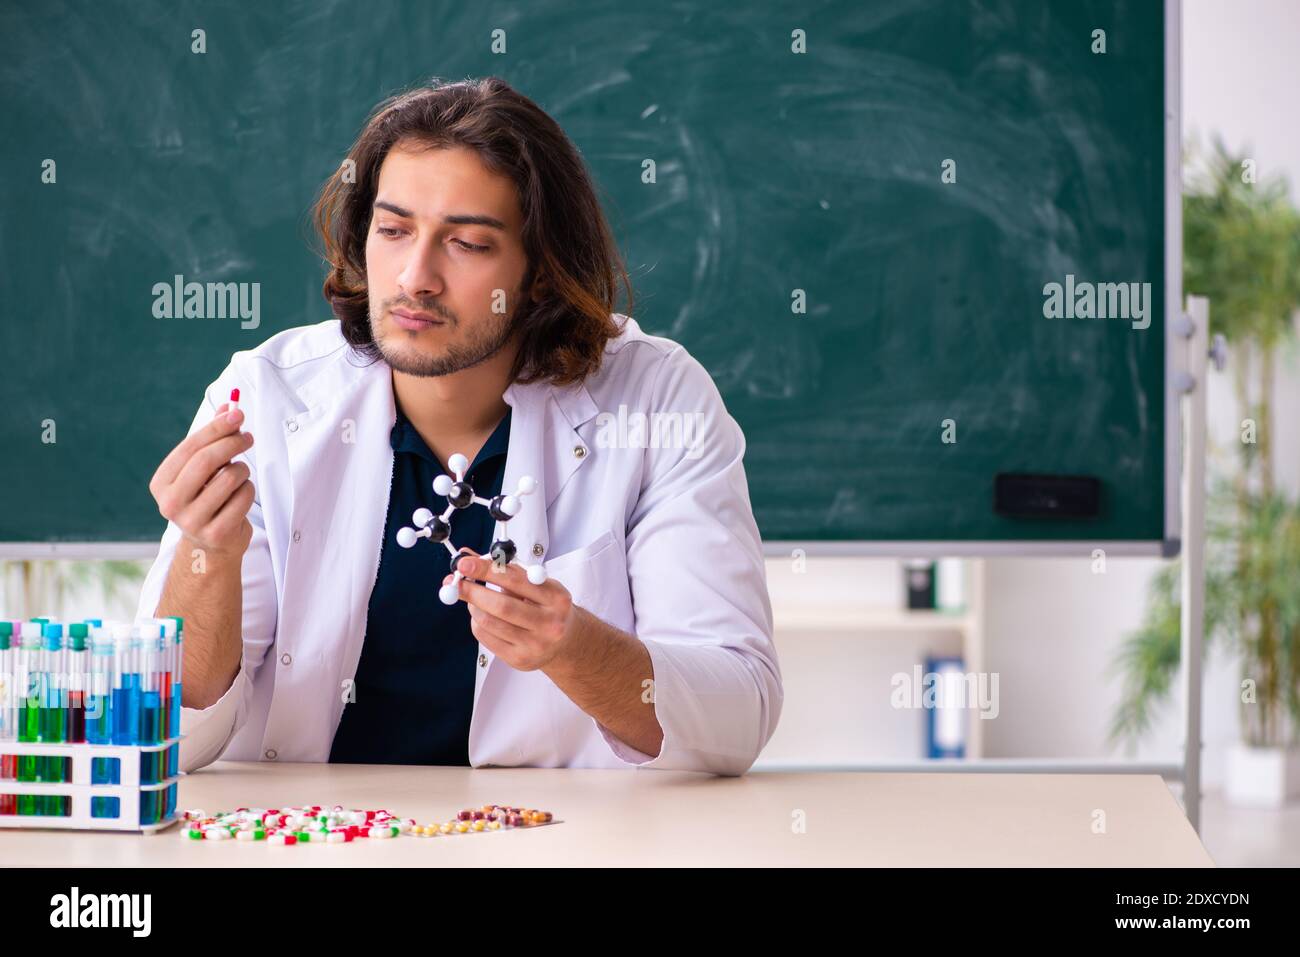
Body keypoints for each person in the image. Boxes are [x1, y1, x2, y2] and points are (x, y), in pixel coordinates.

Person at [136, 77, 780, 776]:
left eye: (467, 243)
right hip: (315, 842)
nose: (416, 276)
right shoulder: (266, 397)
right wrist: (208, 555)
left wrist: (574, 647)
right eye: (393, 229)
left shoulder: (655, 401)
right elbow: (177, 734)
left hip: (555, 844)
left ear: (539, 272)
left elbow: (736, 714)